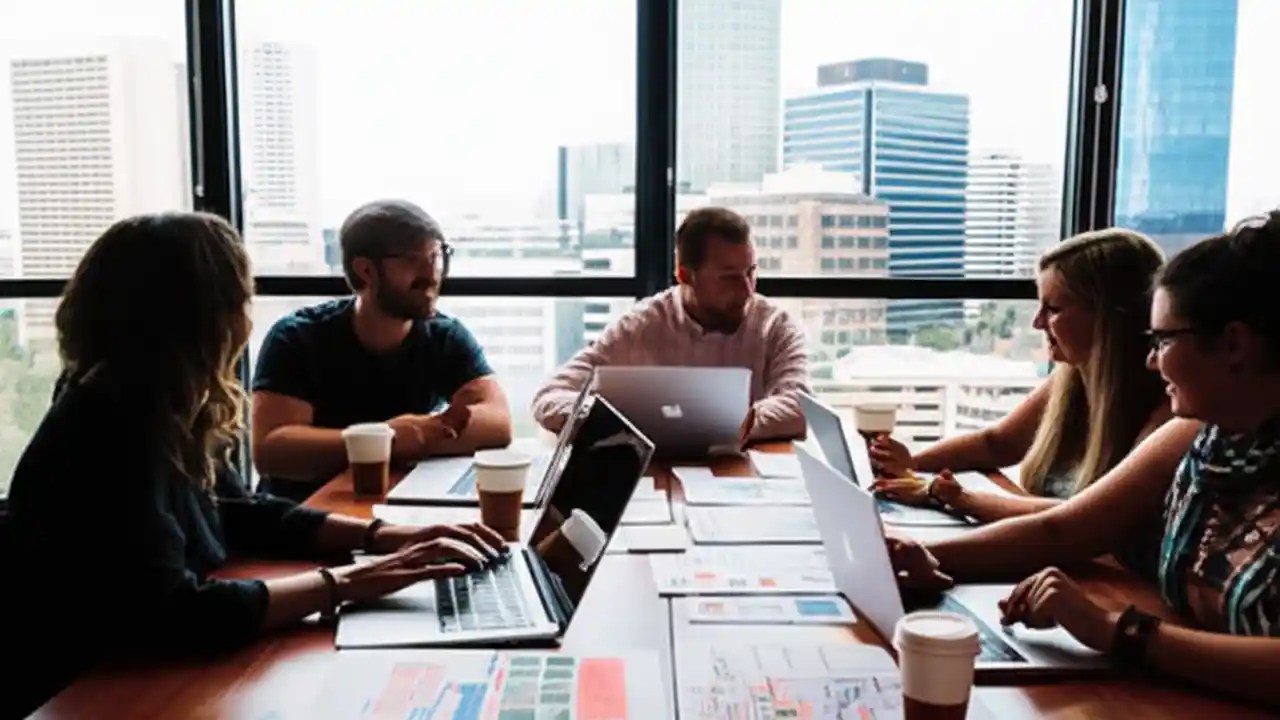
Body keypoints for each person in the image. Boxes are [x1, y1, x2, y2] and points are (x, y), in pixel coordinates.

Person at [0, 213, 506, 718]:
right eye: (241, 300)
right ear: (200, 317)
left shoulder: (153, 402)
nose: (246, 319)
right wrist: (347, 583)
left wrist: (384, 537)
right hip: (87, 689)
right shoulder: (110, 427)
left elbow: (235, 510)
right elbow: (171, 614)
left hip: (129, 671)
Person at [891, 212, 1280, 707]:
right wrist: (921, 557)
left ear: (1234, 346)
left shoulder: (1182, 426)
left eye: (1163, 341)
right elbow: (1066, 530)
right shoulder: (1197, 436)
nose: (1151, 359)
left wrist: (1118, 630)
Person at [871, 229, 1171, 522]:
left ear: (1109, 319)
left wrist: (954, 497)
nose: (1037, 322)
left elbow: (1087, 520)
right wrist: (912, 466)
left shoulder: (1166, 416)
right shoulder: (1072, 378)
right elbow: (997, 444)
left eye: (1053, 309)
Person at [252, 200, 513, 501]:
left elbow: (498, 424)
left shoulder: (444, 336)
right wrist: (387, 438)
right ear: (365, 270)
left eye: (437, 256)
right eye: (413, 259)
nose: (432, 273)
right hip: (303, 514)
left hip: (395, 505)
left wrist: (420, 434)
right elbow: (272, 450)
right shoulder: (297, 337)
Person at [532, 206, 809, 442]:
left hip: (743, 477)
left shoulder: (775, 327)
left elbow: (802, 406)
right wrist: (618, 421)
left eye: (750, 272)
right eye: (729, 277)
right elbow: (550, 396)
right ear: (684, 275)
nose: (747, 290)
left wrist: (728, 422)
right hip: (658, 477)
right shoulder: (639, 328)